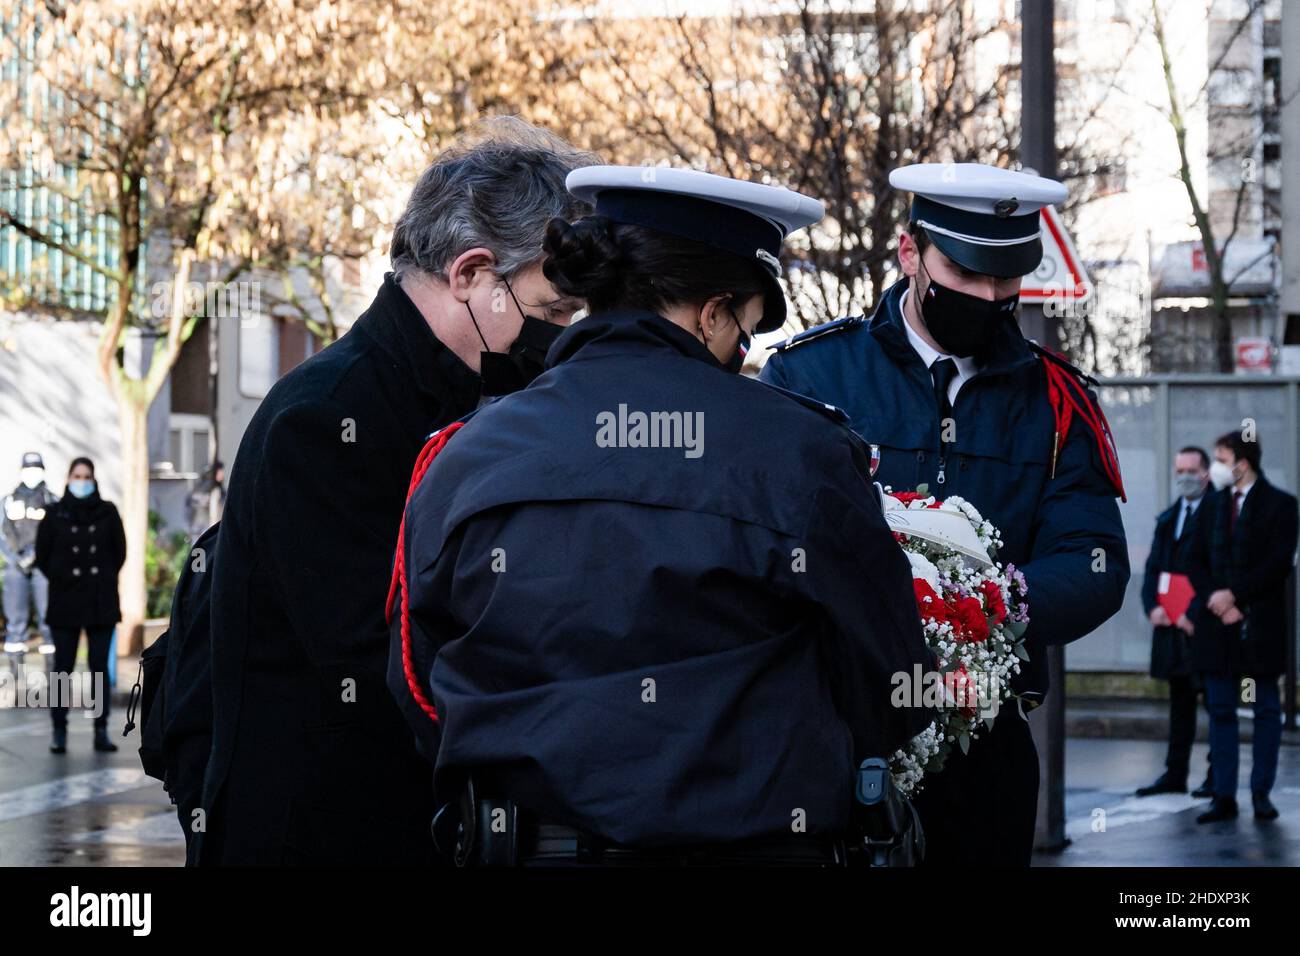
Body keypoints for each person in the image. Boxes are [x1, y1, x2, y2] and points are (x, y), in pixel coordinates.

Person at [389, 165, 935, 867]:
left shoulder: (462, 454)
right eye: (746, 327)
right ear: (714, 313)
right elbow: (893, 682)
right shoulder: (801, 453)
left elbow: (416, 682)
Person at [196, 118, 596, 865]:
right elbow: (377, 665)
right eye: (548, 312)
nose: (558, 337)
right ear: (472, 273)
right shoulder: (326, 418)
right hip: (317, 834)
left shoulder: (463, 394)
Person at [759, 163, 1129, 867]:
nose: (991, 298)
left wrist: (988, 611)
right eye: (968, 273)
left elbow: (1094, 560)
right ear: (910, 254)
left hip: (983, 750)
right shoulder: (810, 376)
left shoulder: (1056, 402)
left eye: (1007, 278)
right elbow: (768, 540)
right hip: (836, 738)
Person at [1192, 430, 1298, 823]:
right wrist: (1217, 601)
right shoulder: (1211, 506)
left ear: (1242, 462)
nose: (1215, 467)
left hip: (1258, 626)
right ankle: (1223, 796)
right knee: (1220, 709)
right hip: (1217, 627)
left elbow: (1277, 563)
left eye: (1220, 458)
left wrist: (1233, 595)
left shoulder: (1281, 506)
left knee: (1264, 708)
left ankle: (1260, 794)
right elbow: (1192, 558)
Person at [33, 457, 126, 754]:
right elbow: (42, 555)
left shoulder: (108, 512)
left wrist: (103, 578)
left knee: (99, 668)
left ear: (94, 479)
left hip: (100, 600)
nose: (82, 480)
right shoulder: (54, 514)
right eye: (77, 475)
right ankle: (59, 730)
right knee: (63, 668)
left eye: (86, 476)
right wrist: (63, 578)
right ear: (68, 478)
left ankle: (101, 729)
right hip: (66, 600)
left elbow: (118, 552)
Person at [1136, 446, 1214, 798]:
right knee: (1179, 703)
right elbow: (1154, 568)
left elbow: (1218, 571)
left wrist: (1191, 614)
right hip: (1171, 627)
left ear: (1206, 473)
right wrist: (1152, 605)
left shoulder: (1217, 514)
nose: (1184, 476)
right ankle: (1175, 773)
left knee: (1215, 702)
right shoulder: (1169, 518)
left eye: (1191, 470)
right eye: (1179, 469)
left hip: (1203, 626)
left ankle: (1217, 775)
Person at [2, 452, 58, 655]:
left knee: (49, 617)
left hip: (44, 567)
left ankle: (54, 680)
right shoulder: (8, 500)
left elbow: (57, 533)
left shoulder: (52, 500)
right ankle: (15, 678)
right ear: (21, 471)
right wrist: (16, 558)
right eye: (28, 468)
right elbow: (2, 532)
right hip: (16, 565)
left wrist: (38, 555)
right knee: (15, 620)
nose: (32, 473)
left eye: (36, 468)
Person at [185, 461, 225, 538]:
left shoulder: (219, 491)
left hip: (213, 533)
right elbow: (189, 512)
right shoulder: (201, 491)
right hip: (201, 533)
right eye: (219, 471)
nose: (222, 475)